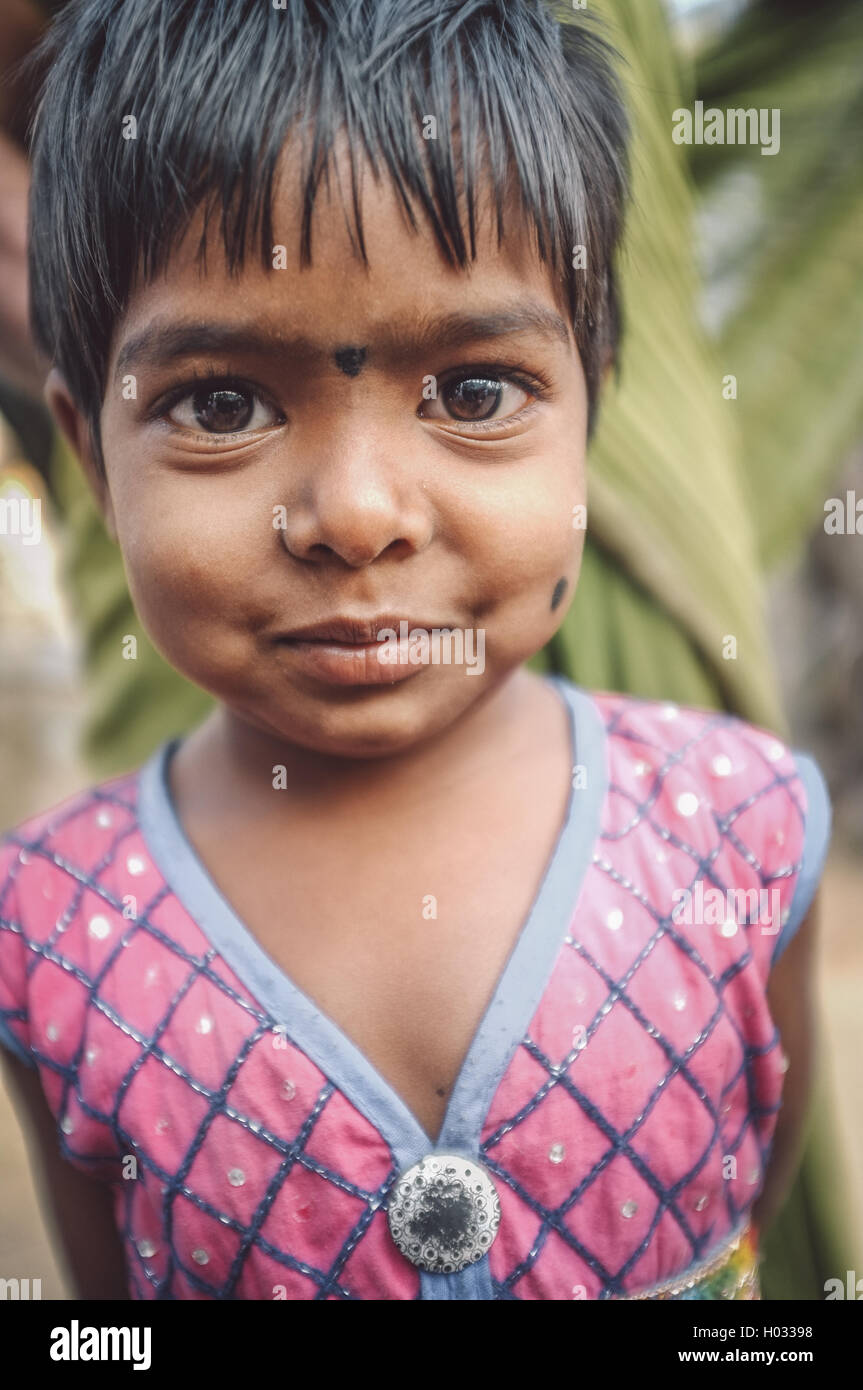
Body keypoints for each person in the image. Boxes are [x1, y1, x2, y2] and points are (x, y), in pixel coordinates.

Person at [0, 0, 831, 1300]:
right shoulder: (50, 931)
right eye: (221, 403)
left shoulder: (748, 827)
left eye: (476, 391)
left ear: (594, 405)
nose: (358, 515)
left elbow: (741, 1221)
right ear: (94, 459)